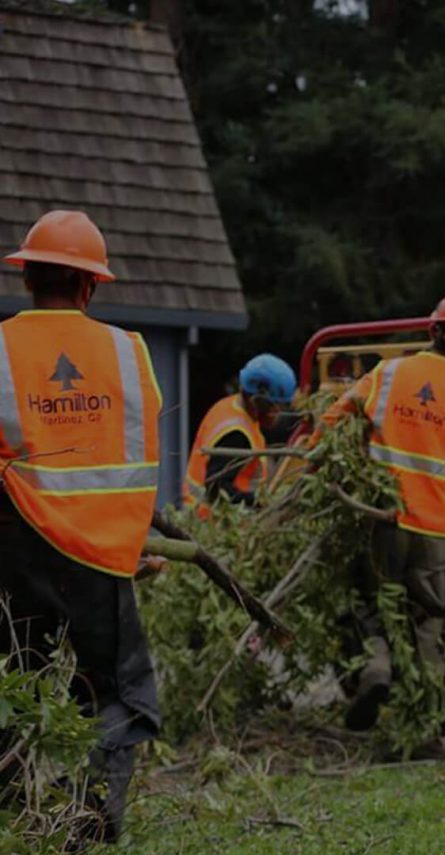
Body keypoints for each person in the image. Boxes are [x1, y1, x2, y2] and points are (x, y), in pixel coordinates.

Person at [0, 210, 163, 842]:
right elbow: (140, 460)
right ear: (90, 285)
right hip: (99, 558)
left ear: (28, 277)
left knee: (18, 680)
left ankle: (20, 808)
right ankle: (91, 819)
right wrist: (134, 545)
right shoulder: (130, 353)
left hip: (15, 550)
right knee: (118, 695)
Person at [320, 291, 445, 752]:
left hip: (385, 516)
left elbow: (334, 422)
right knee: (430, 621)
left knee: (373, 604)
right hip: (439, 528)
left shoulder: (389, 372)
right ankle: (428, 722)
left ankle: (376, 669)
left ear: (432, 329)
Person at [183, 354, 297, 509]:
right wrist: (258, 502)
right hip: (213, 523)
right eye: (276, 406)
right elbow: (215, 488)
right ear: (260, 401)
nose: (278, 414)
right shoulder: (236, 434)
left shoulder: (231, 407)